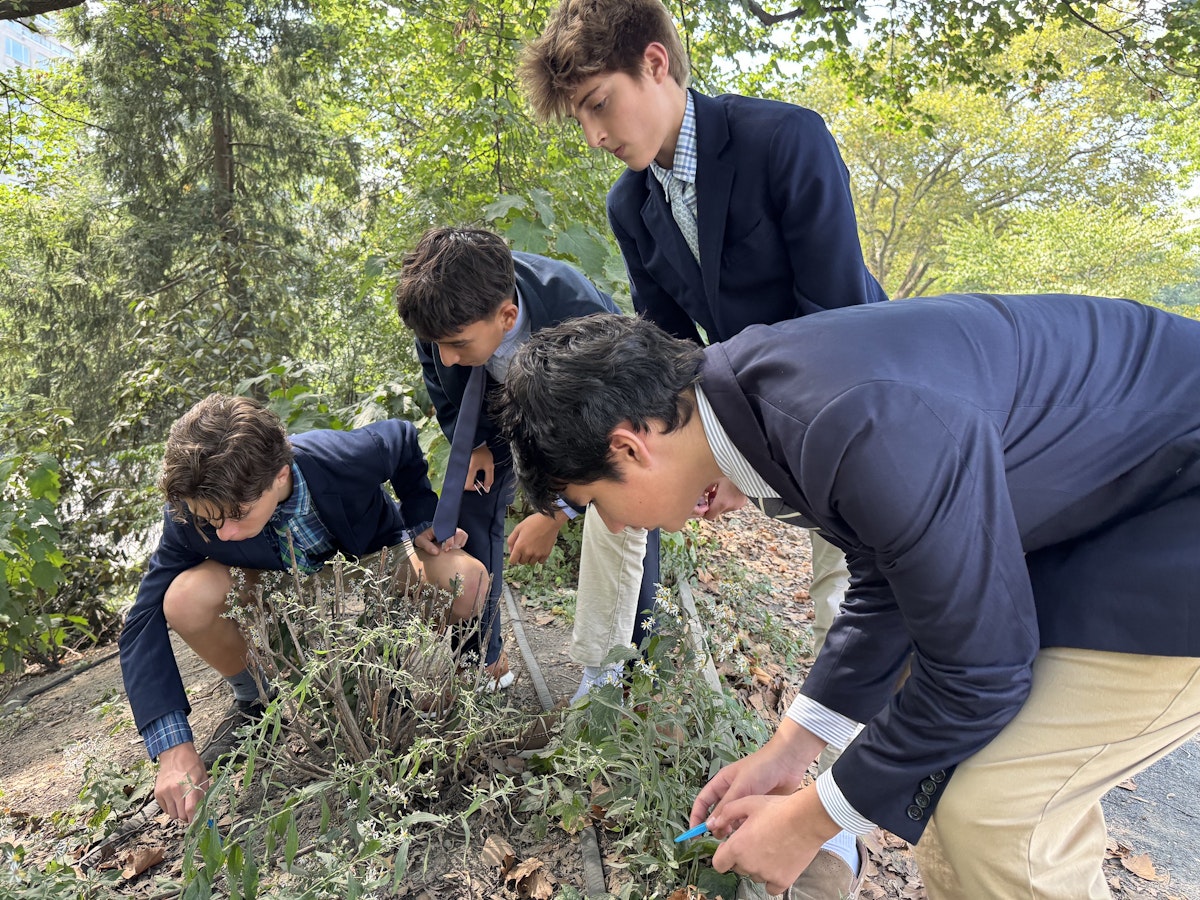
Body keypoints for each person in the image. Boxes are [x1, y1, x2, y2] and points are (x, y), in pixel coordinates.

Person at [491, 297, 1200, 899]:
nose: (613, 525)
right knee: (957, 796)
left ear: (630, 446)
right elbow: (887, 577)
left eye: (594, 503)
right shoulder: (762, 400)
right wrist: (790, 749)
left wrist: (810, 820)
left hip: (1171, 510)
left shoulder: (853, 419)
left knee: (998, 811)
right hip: (1109, 500)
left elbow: (979, 675)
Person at [519, 1, 886, 888]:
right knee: (617, 490)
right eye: (579, 117)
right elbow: (662, 347)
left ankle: (832, 805)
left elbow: (839, 312)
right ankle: (601, 675)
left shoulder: (783, 140)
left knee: (858, 581)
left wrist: (749, 437)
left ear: (656, 64)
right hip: (733, 402)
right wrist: (701, 448)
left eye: (599, 103)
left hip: (856, 400)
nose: (594, 132)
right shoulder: (629, 203)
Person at [119, 394, 489, 824]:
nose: (226, 532)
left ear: (279, 476)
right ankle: (256, 702)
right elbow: (143, 618)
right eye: (211, 520)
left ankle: (440, 678)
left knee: (468, 580)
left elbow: (404, 441)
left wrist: (422, 515)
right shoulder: (191, 511)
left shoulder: (342, 456)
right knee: (184, 597)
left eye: (237, 514)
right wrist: (173, 747)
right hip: (277, 586)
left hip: (370, 562)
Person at [393, 225, 661, 701]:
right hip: (491, 401)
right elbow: (441, 376)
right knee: (470, 508)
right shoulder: (443, 315)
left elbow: (614, 441)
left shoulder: (581, 314)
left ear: (508, 315)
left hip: (590, 411)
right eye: (438, 344)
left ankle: (628, 670)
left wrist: (554, 514)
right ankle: (482, 657)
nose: (447, 358)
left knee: (628, 519)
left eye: (457, 344)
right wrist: (471, 440)